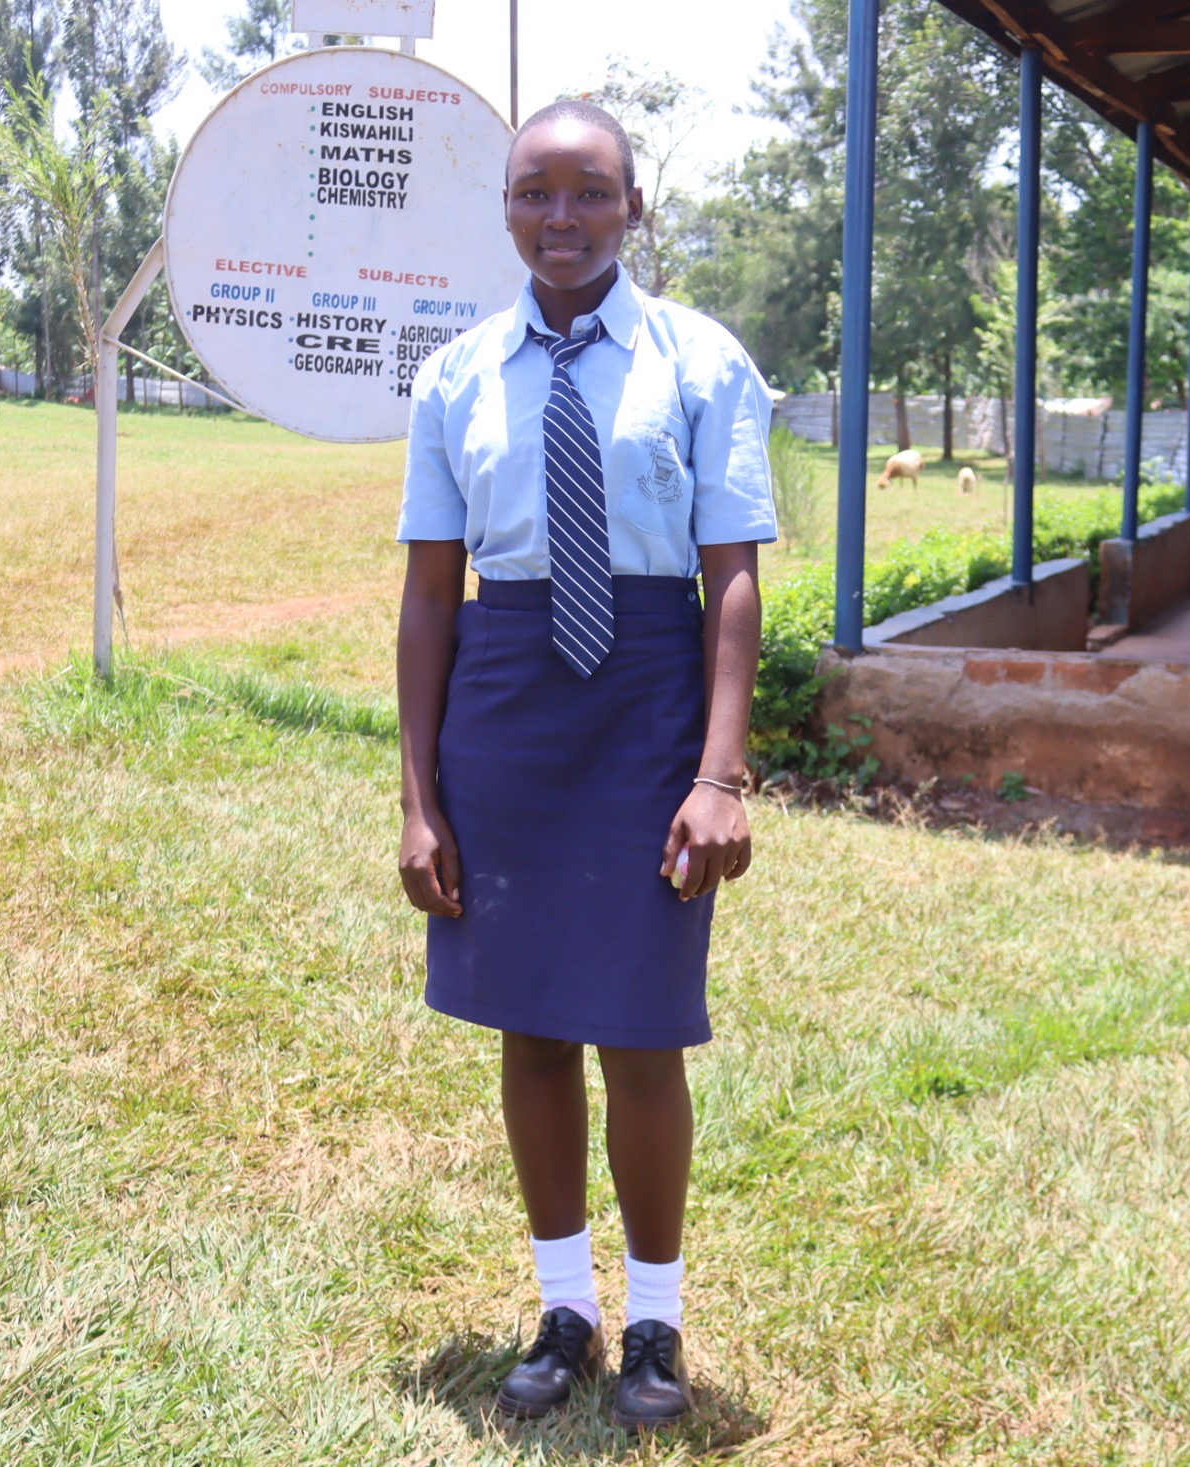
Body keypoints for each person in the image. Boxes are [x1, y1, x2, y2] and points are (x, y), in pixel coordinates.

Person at [393, 98, 775, 1431]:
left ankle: (657, 1323)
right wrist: (419, 797)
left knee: (644, 1024)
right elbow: (432, 598)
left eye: (590, 193)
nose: (561, 218)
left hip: (650, 702)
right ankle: (565, 1307)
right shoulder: (454, 378)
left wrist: (719, 774)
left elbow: (732, 581)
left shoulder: (703, 364)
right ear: (505, 209)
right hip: (504, 712)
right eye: (534, 193)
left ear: (633, 207)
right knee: (535, 1022)